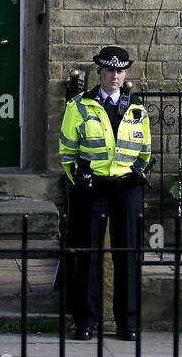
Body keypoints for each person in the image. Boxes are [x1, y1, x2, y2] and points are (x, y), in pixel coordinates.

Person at [59, 46, 152, 341]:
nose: (115, 75)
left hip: (126, 188)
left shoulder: (136, 108)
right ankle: (85, 321)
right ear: (99, 72)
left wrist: (137, 171)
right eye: (110, 70)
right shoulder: (79, 106)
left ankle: (128, 323)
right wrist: (80, 179)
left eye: (120, 70)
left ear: (126, 74)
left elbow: (145, 151)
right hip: (94, 187)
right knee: (88, 255)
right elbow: (66, 151)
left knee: (128, 255)